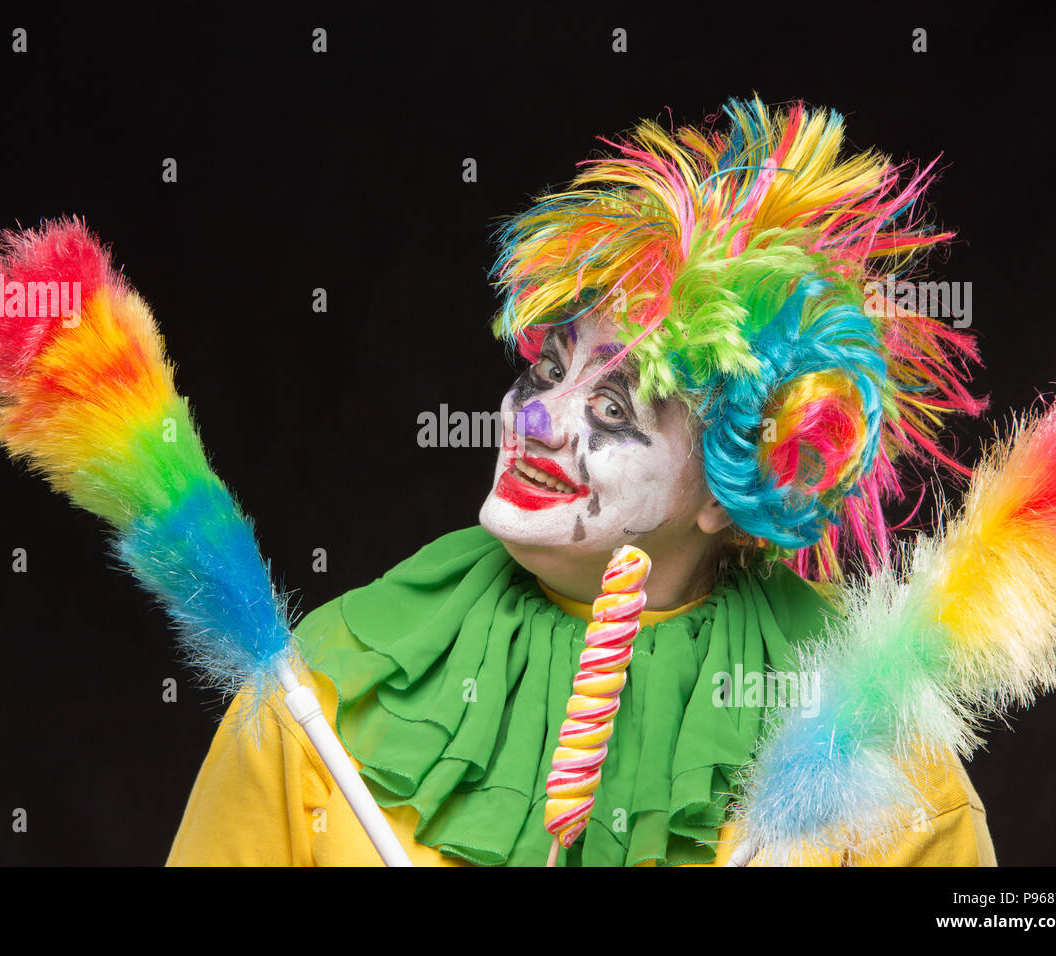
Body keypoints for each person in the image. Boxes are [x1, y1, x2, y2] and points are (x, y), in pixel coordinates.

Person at [165, 97, 996, 867]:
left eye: (610, 403)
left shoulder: (861, 725)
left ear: (727, 485)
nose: (536, 420)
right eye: (547, 368)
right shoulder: (326, 678)